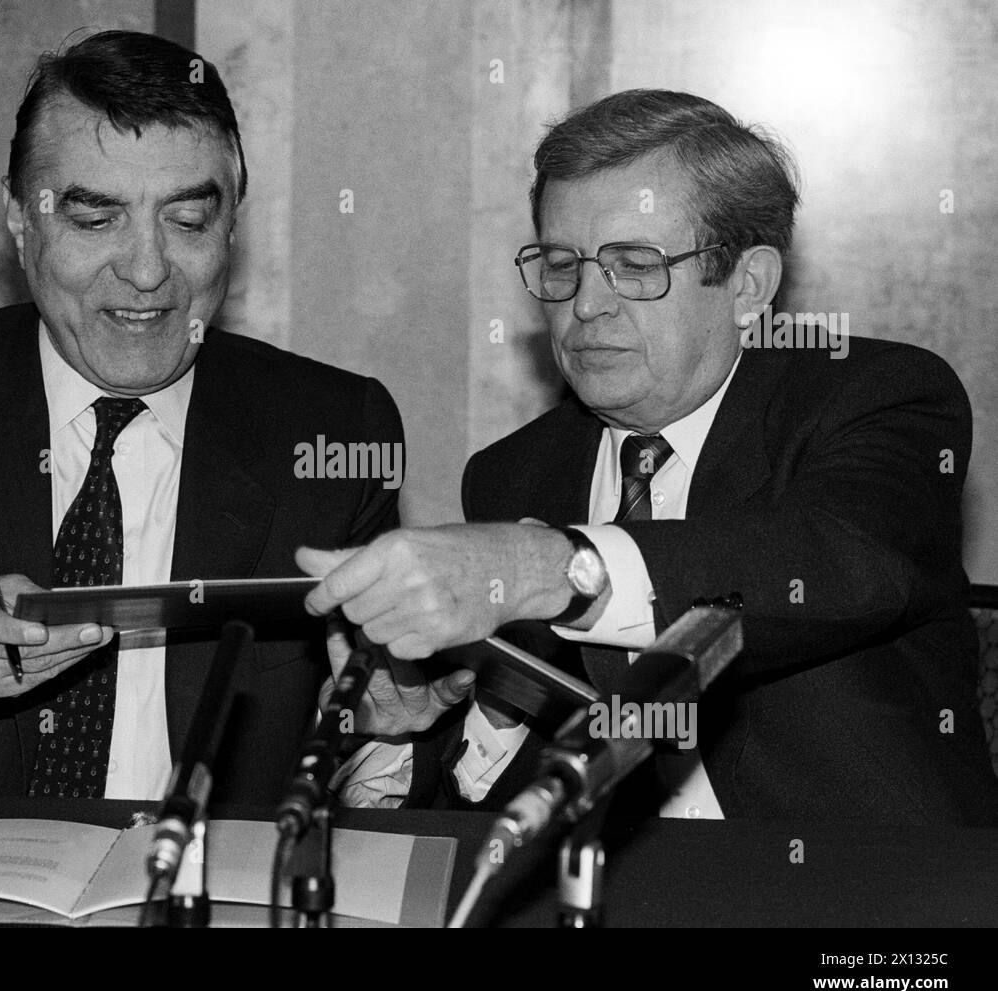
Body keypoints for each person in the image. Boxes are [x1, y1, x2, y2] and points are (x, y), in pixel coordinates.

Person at [0, 30, 464, 808]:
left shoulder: (335, 428)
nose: (146, 270)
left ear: (233, 221)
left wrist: (379, 730)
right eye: (96, 219)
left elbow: (385, 765)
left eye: (188, 220)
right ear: (18, 218)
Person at [299, 89, 998, 825]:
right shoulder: (514, 474)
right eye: (562, 265)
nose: (587, 305)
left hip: (861, 902)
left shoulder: (874, 399)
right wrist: (420, 727)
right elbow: (498, 811)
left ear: (747, 284)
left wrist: (551, 567)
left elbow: (832, 559)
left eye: (633, 266)